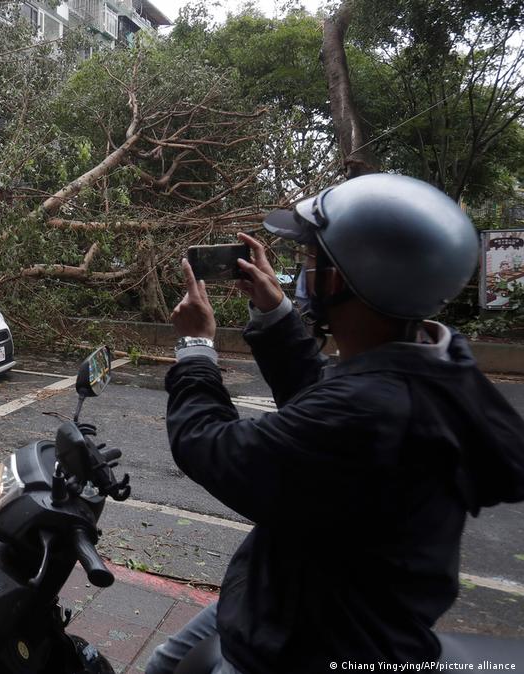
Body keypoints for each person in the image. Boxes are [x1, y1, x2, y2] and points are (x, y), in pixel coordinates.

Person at [150, 173, 524, 674]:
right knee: (163, 662)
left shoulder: (377, 409)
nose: (302, 275)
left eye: (312, 264)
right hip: (283, 599)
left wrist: (195, 347)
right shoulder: (429, 362)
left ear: (344, 279)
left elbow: (212, 448)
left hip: (307, 644)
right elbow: (323, 395)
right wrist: (276, 310)